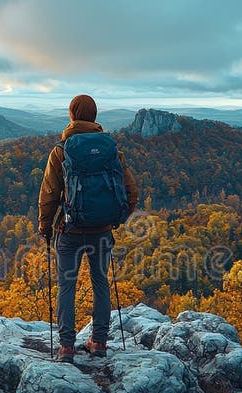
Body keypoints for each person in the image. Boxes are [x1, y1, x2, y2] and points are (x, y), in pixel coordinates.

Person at [38, 94, 139, 363]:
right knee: (100, 282)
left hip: (69, 231)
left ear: (72, 115)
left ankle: (67, 347)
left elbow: (49, 194)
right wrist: (116, 218)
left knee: (66, 286)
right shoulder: (111, 150)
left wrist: (45, 226)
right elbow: (131, 192)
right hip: (102, 231)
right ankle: (99, 342)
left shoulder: (61, 151)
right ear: (94, 116)